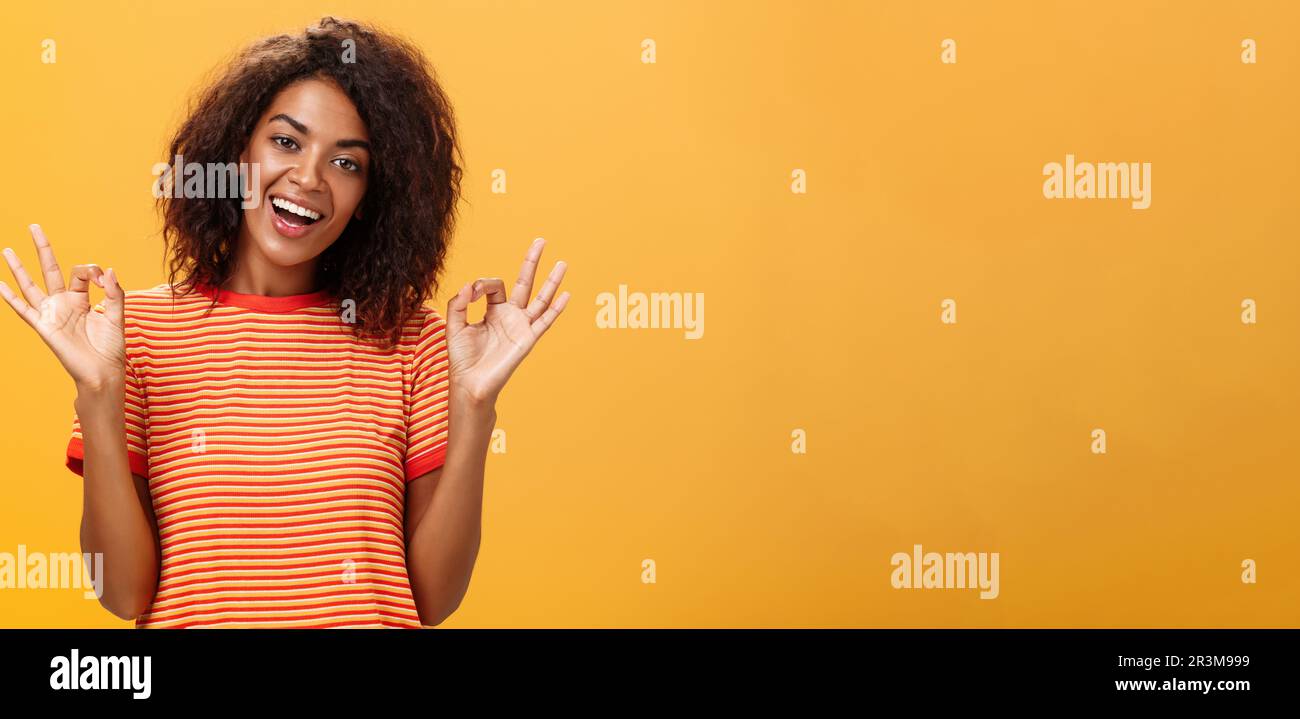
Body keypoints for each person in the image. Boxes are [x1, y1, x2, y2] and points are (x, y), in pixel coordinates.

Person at [0, 17, 569, 628]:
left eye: (347, 164)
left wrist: (476, 405)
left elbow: (432, 600)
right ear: (236, 150)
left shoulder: (414, 339)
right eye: (287, 142)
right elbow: (125, 596)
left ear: (370, 200)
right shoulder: (129, 335)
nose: (308, 179)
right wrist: (98, 393)